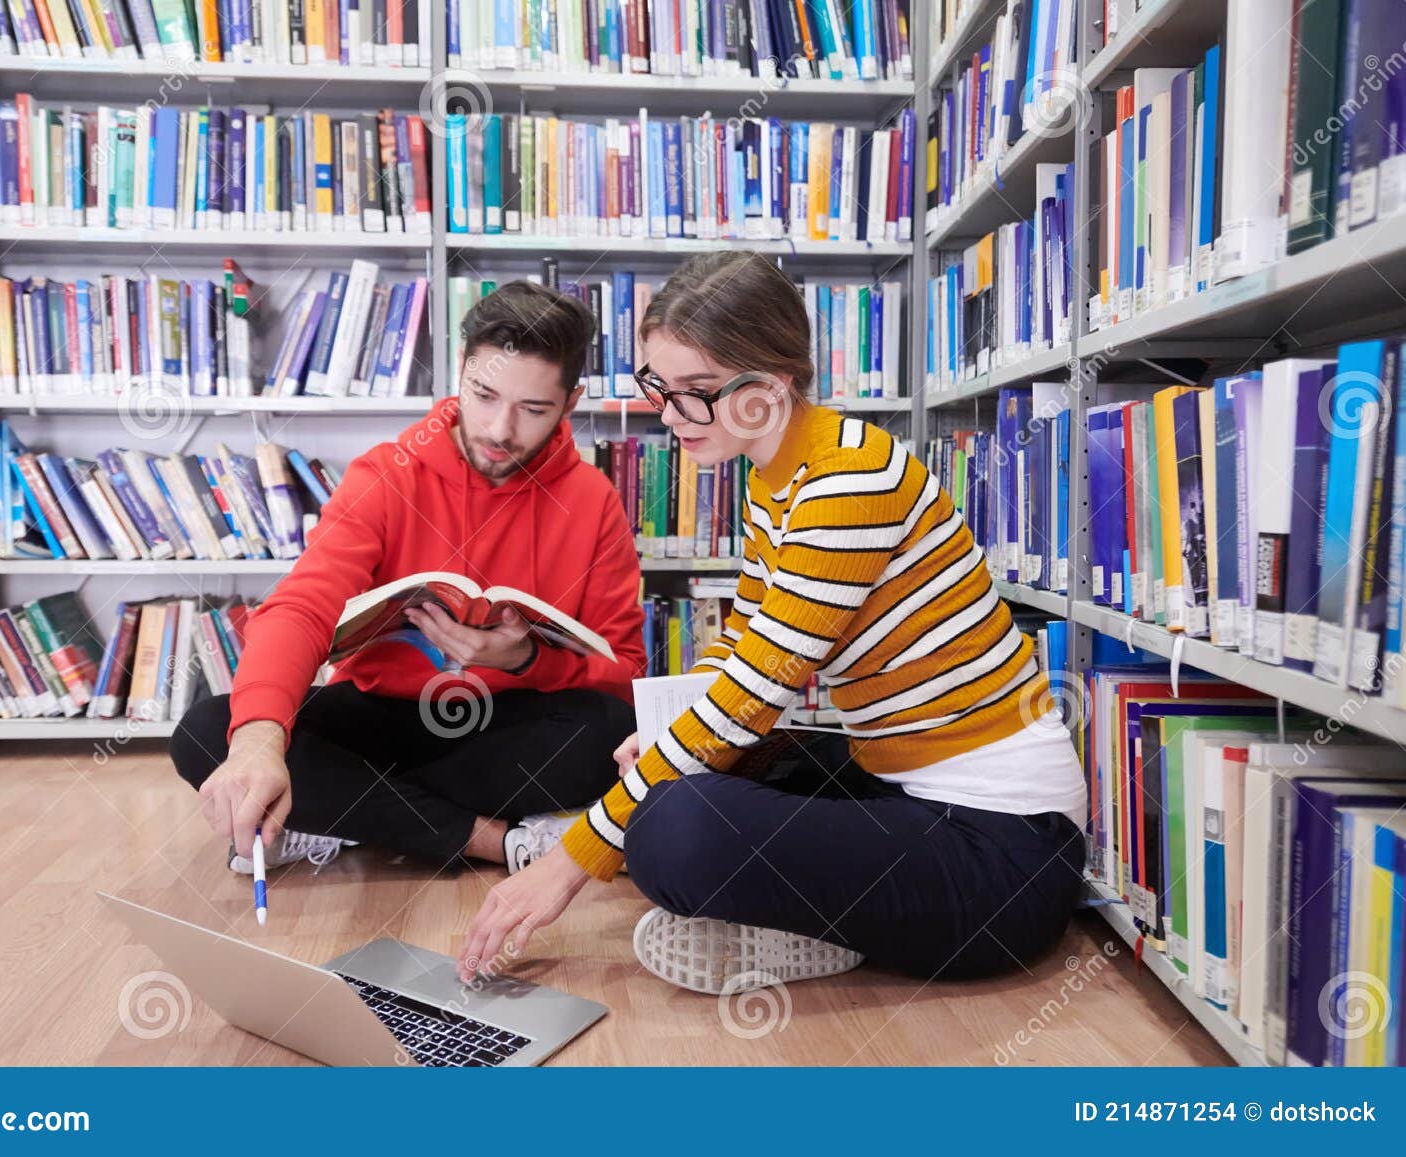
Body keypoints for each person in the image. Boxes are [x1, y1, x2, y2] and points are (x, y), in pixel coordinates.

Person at [460, 251, 1089, 993]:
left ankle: (820, 920)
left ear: (770, 384)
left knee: (672, 828)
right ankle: (824, 913)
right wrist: (668, 731)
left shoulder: (849, 479)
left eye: (697, 392)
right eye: (660, 387)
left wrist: (571, 859)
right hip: (906, 791)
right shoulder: (777, 474)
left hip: (1005, 855)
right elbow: (742, 644)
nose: (670, 415)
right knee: (674, 784)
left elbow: (756, 691)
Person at [171, 282, 644, 877]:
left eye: (533, 409)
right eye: (484, 394)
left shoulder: (594, 500)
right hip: (379, 714)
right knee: (207, 731)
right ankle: (498, 842)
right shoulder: (386, 474)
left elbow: (625, 673)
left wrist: (526, 659)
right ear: (461, 370)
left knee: (611, 731)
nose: (500, 429)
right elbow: (302, 608)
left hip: (508, 725)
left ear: (571, 403)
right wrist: (260, 741)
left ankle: (342, 814)